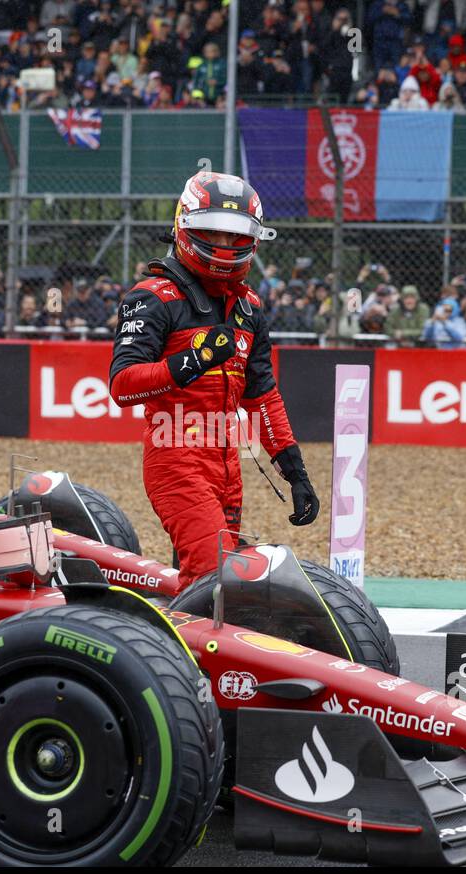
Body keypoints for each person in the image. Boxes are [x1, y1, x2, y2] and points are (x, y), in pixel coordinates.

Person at [107, 171, 318, 585]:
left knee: (226, 584)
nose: (224, 246)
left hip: (227, 464)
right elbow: (123, 385)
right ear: (186, 226)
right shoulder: (152, 297)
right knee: (211, 577)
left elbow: (262, 397)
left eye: (235, 237)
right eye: (213, 234)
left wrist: (295, 471)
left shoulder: (249, 307)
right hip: (175, 458)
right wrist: (196, 358)